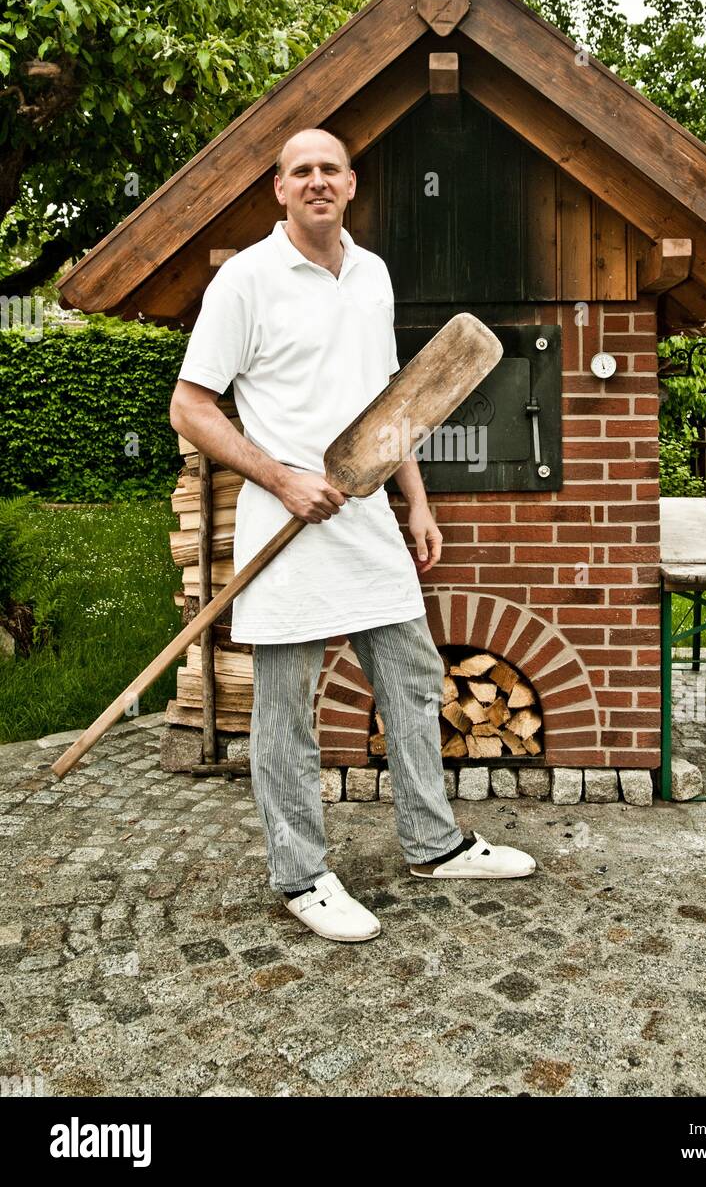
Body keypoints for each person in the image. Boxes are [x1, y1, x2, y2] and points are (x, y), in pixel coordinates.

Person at [169, 128, 536, 943]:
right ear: (278, 189)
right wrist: (282, 479)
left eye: (329, 168)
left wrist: (418, 501)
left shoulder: (370, 274)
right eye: (300, 170)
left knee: (410, 677)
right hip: (288, 523)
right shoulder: (245, 282)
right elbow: (189, 406)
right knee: (285, 711)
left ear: (351, 183)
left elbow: (392, 404)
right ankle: (301, 875)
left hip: (366, 514)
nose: (316, 181)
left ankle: (434, 843)